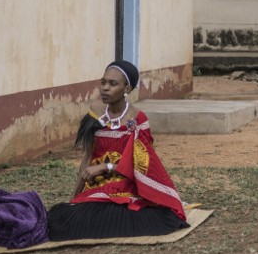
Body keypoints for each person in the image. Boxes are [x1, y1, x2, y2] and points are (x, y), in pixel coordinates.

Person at [48, 61, 188, 241]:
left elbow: (143, 165)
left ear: (127, 88)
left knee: (135, 217)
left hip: (126, 186)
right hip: (97, 186)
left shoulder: (138, 119)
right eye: (103, 82)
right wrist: (73, 199)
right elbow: (88, 157)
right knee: (66, 220)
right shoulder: (95, 112)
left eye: (113, 84)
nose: (105, 88)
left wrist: (105, 167)